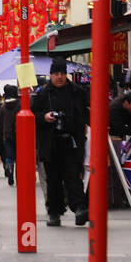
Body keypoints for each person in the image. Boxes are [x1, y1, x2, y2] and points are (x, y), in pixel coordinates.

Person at [31, 59, 90, 227]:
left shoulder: (76, 91)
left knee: (73, 175)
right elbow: (33, 115)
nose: (59, 77)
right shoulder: (43, 93)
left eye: (62, 74)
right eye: (56, 74)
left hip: (71, 141)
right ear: (51, 75)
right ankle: (54, 212)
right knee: (53, 180)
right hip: (51, 143)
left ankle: (79, 208)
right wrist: (44, 117)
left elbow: (85, 112)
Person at [0, 85, 20, 185]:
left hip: (7, 134)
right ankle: (18, 175)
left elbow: (0, 122)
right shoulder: (20, 105)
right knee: (19, 156)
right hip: (18, 133)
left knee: (9, 155)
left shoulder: (3, 107)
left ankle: (9, 168)